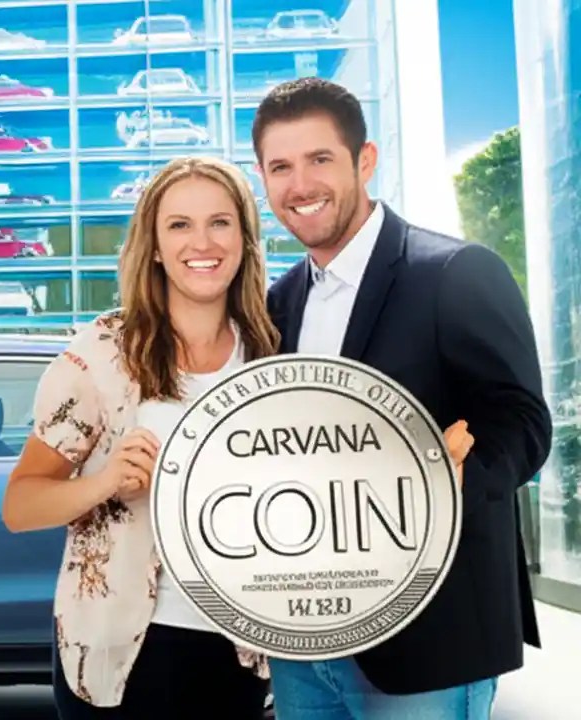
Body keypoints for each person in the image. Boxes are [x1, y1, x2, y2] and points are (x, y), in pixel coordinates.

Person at [255, 77, 552, 718]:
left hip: (431, 641)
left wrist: (443, 479)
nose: (300, 185)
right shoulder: (278, 304)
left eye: (319, 159)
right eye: (281, 167)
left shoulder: (454, 272)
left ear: (365, 161)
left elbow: (524, 424)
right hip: (306, 645)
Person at [2, 155, 277, 718]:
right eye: (179, 224)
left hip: (240, 647)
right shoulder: (105, 350)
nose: (202, 241)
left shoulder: (272, 348)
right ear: (153, 245)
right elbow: (20, 504)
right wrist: (105, 481)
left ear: (246, 239)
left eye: (220, 222)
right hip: (125, 651)